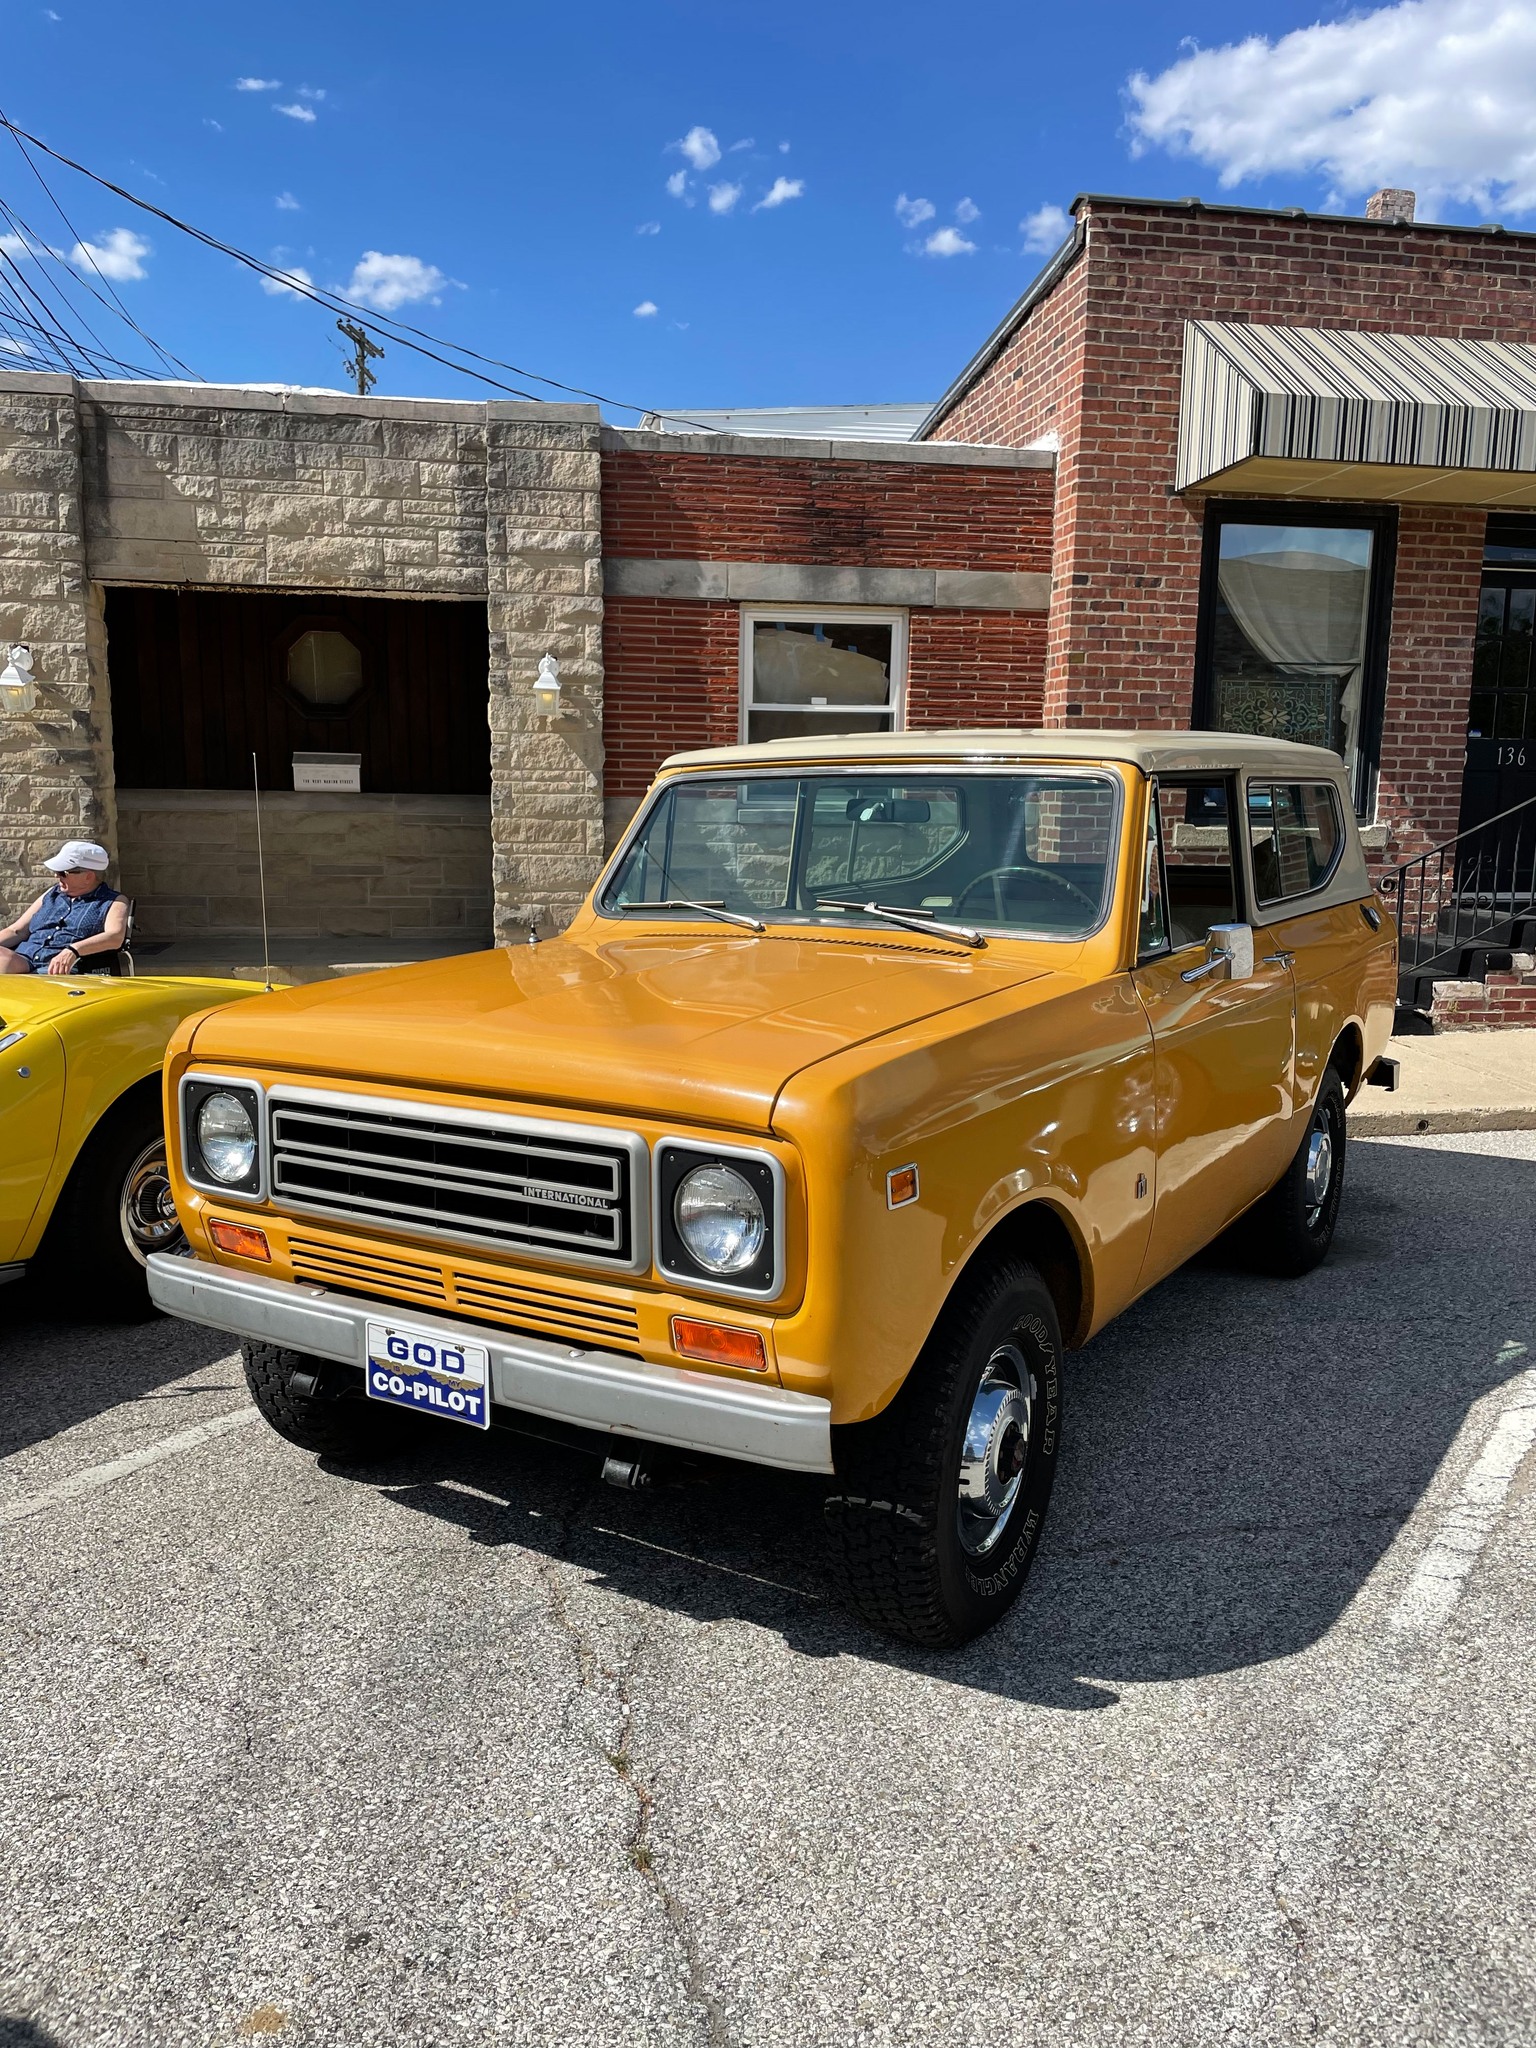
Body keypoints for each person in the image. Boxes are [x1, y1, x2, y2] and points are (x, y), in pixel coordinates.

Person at [0, 841, 128, 976]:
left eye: (63, 873)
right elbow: (17, 931)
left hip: (63, 967)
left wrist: (73, 950)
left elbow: (114, 937)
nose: (56, 876)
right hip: (25, 959)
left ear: (88, 877)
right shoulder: (52, 894)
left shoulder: (113, 901)